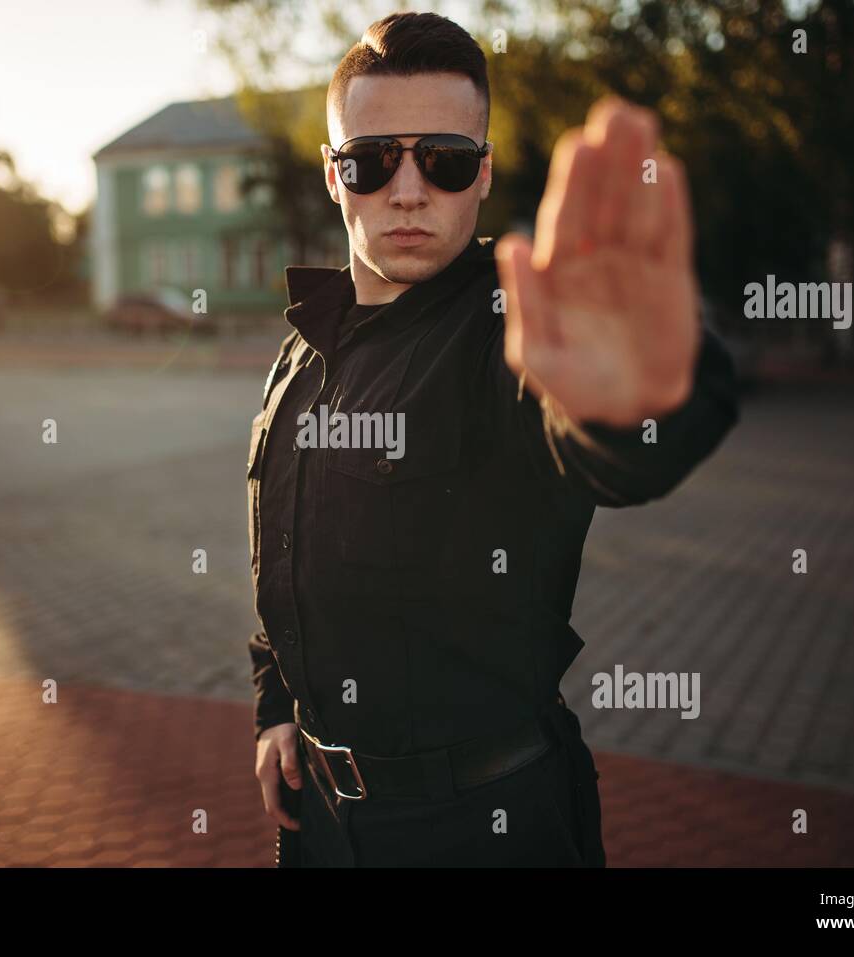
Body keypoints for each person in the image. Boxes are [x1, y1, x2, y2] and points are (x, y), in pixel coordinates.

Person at [248, 10, 739, 867]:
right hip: (317, 825)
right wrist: (276, 709)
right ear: (334, 176)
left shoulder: (505, 335)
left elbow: (597, 444)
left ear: (482, 174)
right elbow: (289, 553)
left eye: (441, 159)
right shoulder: (302, 347)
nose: (407, 191)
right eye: (370, 162)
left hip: (488, 826)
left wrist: (636, 401)